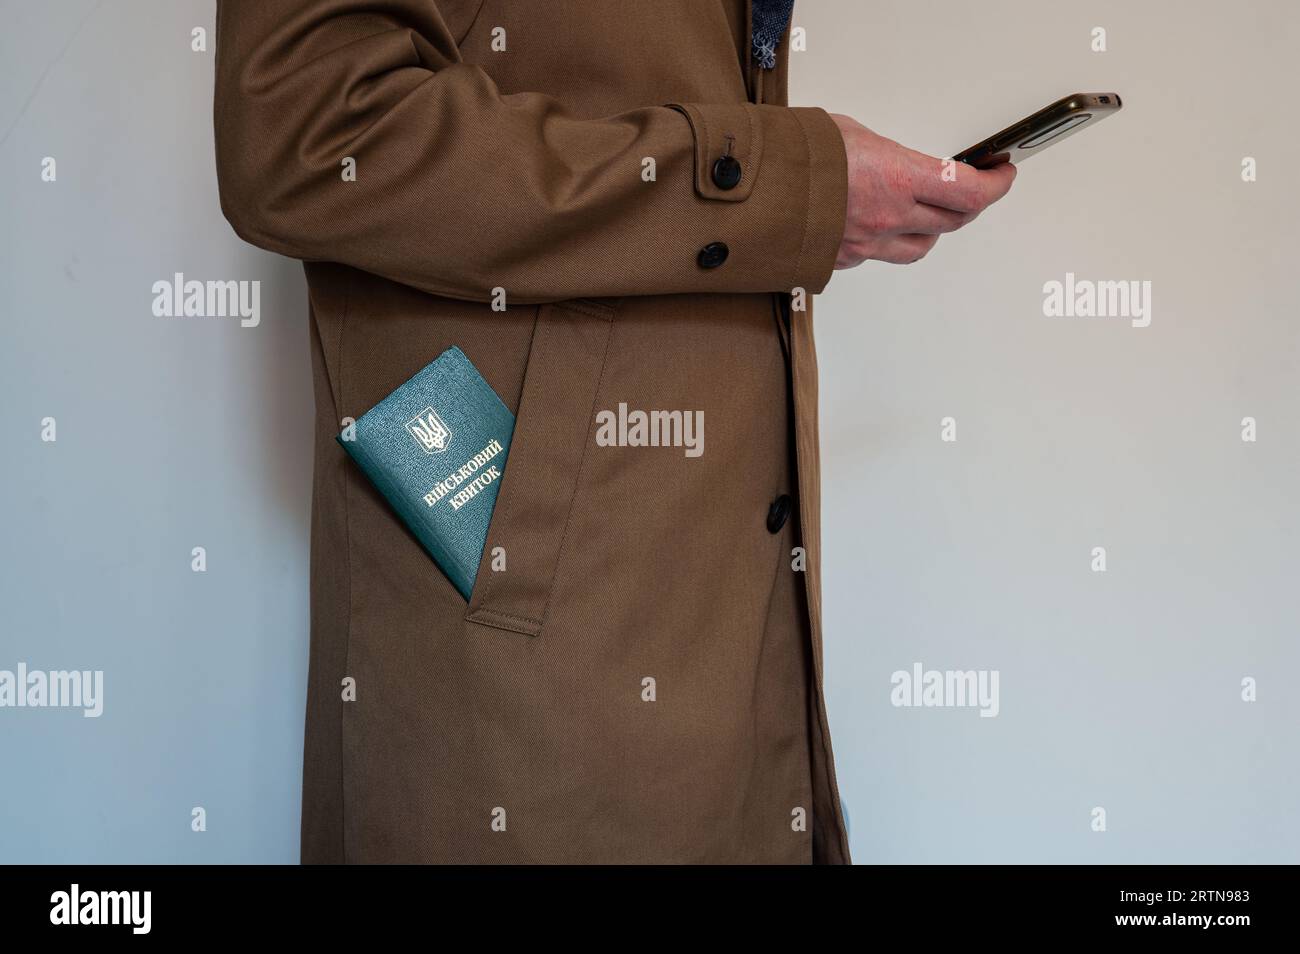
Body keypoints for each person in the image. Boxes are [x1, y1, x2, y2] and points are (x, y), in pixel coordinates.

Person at [213, 0, 1016, 864]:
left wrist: (791, 188)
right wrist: (787, 182)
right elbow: (304, 129)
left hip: (717, 627)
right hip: (536, 673)